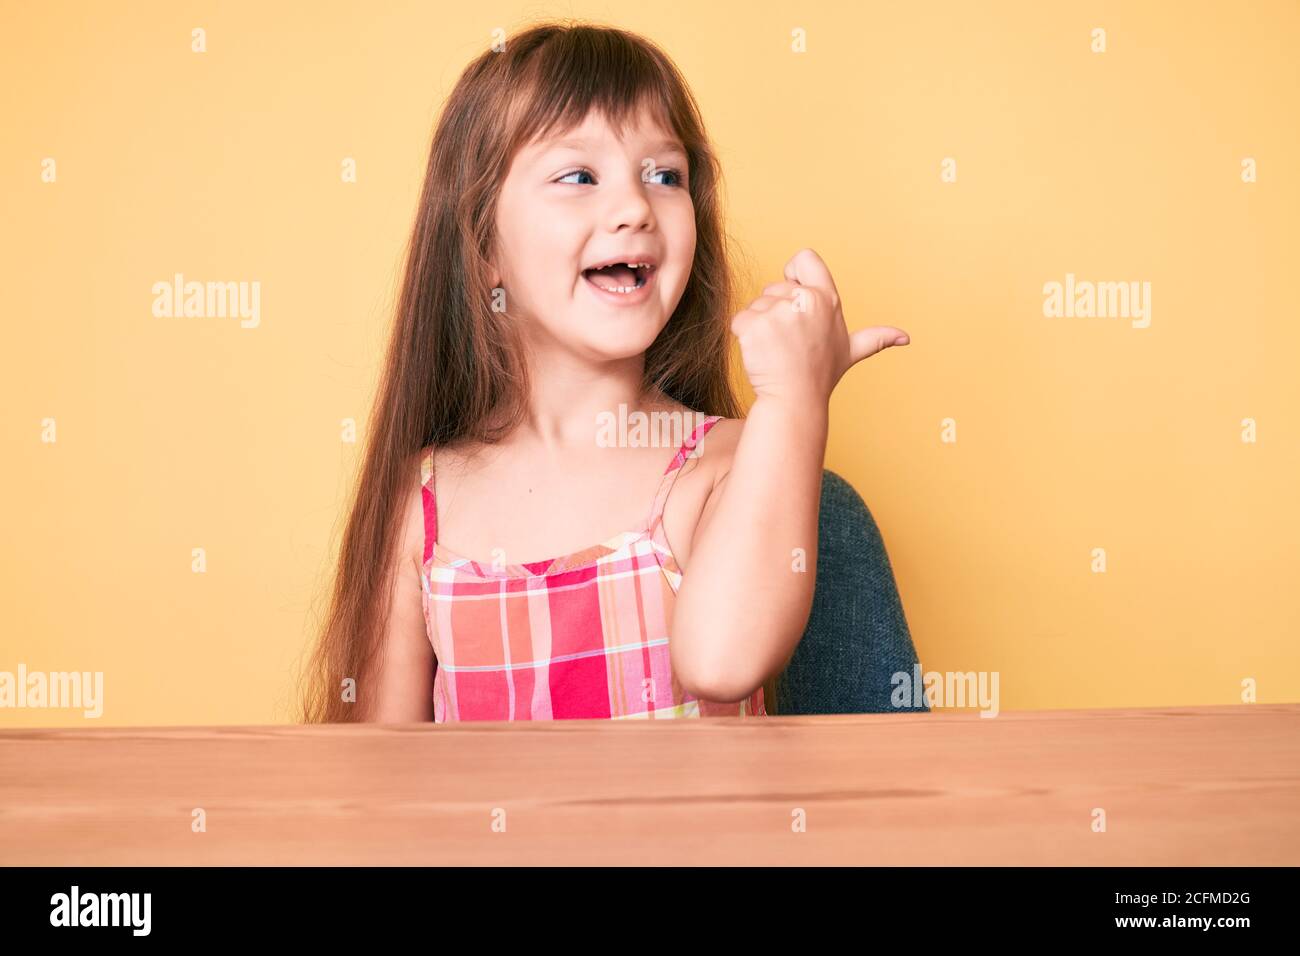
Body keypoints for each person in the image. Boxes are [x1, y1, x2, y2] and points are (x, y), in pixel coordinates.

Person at [299, 21, 908, 723]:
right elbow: (384, 780)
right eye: (579, 176)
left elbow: (722, 663)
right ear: (484, 249)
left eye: (665, 175)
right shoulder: (423, 504)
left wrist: (795, 403)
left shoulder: (735, 466)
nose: (634, 209)